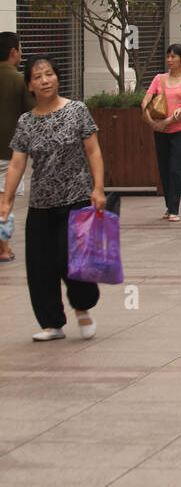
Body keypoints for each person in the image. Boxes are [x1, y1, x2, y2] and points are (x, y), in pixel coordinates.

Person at [0, 56, 105, 341]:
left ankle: (82, 307)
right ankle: (52, 323)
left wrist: (98, 188)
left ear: (57, 78)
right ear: (30, 85)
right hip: (41, 204)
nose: (45, 80)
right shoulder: (26, 122)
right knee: (40, 266)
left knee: (71, 260)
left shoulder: (77, 110)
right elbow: (17, 163)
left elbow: (93, 151)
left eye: (49, 74)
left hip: (77, 199)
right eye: (38, 77)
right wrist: (6, 199)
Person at [141, 44, 181, 221]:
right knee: (164, 169)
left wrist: (166, 122)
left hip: (180, 130)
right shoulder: (159, 79)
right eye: (168, 56)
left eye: (173, 57)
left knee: (175, 169)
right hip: (159, 131)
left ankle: (174, 209)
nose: (170, 60)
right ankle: (169, 205)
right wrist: (152, 123)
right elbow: (145, 102)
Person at [0, 32, 34, 261]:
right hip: (8, 151)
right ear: (13, 52)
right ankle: (3, 248)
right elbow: (32, 114)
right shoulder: (18, 80)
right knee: (5, 198)